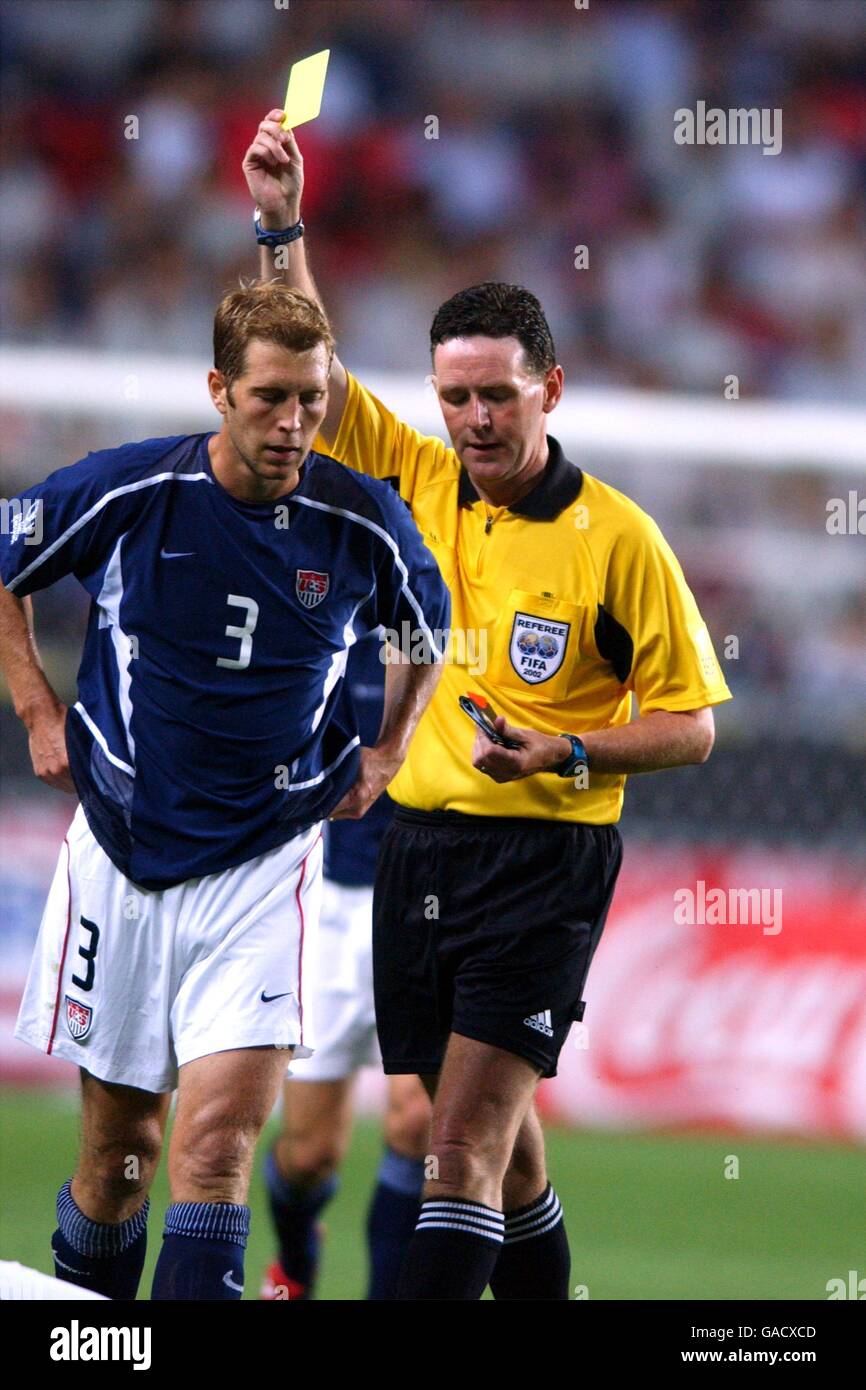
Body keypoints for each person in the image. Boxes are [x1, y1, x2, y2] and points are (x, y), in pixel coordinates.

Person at [243, 114, 732, 1302]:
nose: (472, 421)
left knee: (453, 1142)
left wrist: (567, 747)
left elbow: (693, 723)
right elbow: (315, 367)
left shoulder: (617, 539)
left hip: (541, 860)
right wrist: (278, 227)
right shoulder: (421, 479)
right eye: (453, 397)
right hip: (415, 849)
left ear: (547, 388)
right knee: (506, 1161)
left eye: (495, 398)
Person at [0, 279, 449, 1301]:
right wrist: (35, 707)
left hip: (262, 866)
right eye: (269, 398)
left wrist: (386, 752)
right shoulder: (129, 490)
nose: (294, 423)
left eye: (311, 399)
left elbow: (430, 630)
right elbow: (4, 554)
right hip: (120, 853)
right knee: (120, 1157)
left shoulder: (359, 519)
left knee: (213, 1149)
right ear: (218, 390)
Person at [261, 632, 431, 1302]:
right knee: (309, 1154)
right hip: (325, 906)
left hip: (426, 900)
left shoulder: (447, 611)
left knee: (418, 1126)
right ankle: (296, 1265)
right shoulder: (324, 601)